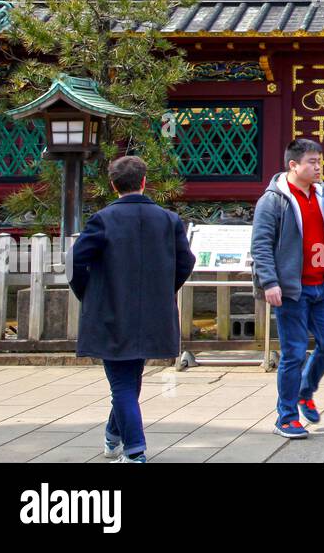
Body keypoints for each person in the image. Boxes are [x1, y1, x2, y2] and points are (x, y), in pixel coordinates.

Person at [68, 155, 195, 463]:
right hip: (154, 311)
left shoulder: (102, 220)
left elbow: (75, 262)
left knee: (123, 384)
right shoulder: (168, 220)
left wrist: (89, 293)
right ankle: (113, 437)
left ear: (113, 186)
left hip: (112, 311)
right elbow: (185, 262)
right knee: (129, 381)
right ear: (143, 181)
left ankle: (135, 449)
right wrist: (164, 290)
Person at [250, 138, 324, 439]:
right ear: (293, 165)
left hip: (322, 284)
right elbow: (261, 244)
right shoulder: (273, 200)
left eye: (319, 162)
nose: (318, 168)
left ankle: (306, 389)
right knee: (293, 352)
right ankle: (287, 416)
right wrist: (269, 281)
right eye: (311, 163)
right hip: (292, 287)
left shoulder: (323, 195)